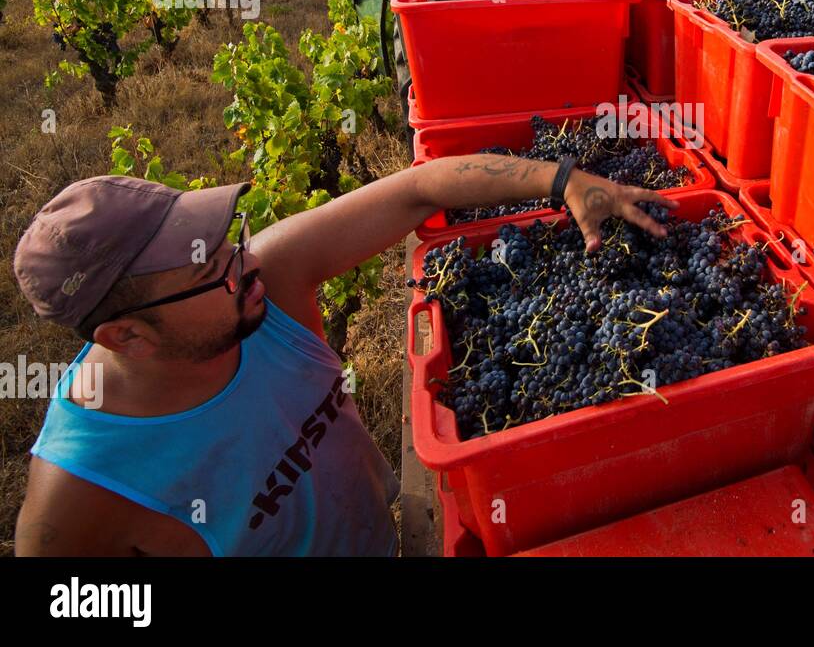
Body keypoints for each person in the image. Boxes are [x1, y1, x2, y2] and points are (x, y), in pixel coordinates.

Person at [12, 156, 674, 556]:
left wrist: (565, 182)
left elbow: (423, 190)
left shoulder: (265, 282)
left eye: (224, 242)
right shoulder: (79, 494)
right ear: (127, 337)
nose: (244, 265)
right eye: (209, 270)